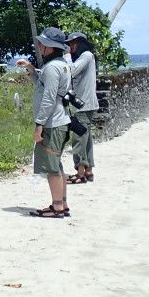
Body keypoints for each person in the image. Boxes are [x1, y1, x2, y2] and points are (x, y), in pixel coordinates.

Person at [16, 27, 73, 218]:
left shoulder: (51, 68)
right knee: (56, 164)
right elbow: (44, 85)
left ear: (49, 46)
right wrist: (31, 70)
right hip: (60, 120)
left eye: (42, 43)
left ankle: (57, 208)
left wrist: (39, 125)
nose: (39, 46)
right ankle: (62, 204)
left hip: (52, 123)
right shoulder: (60, 64)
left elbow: (48, 98)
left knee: (52, 167)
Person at [66, 31, 99, 184]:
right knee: (86, 139)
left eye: (73, 43)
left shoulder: (86, 55)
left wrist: (65, 56)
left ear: (81, 43)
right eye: (69, 43)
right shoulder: (84, 57)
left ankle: (80, 173)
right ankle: (88, 171)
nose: (71, 46)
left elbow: (71, 71)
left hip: (84, 104)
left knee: (79, 138)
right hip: (86, 103)